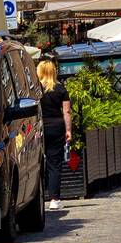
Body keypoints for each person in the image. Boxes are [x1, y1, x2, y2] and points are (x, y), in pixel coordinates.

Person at [36, 58, 72, 210]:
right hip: (56, 127)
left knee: (36, 162)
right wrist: (68, 130)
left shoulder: (35, 90)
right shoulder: (60, 89)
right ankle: (54, 199)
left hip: (39, 127)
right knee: (54, 163)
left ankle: (37, 197)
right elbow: (67, 111)